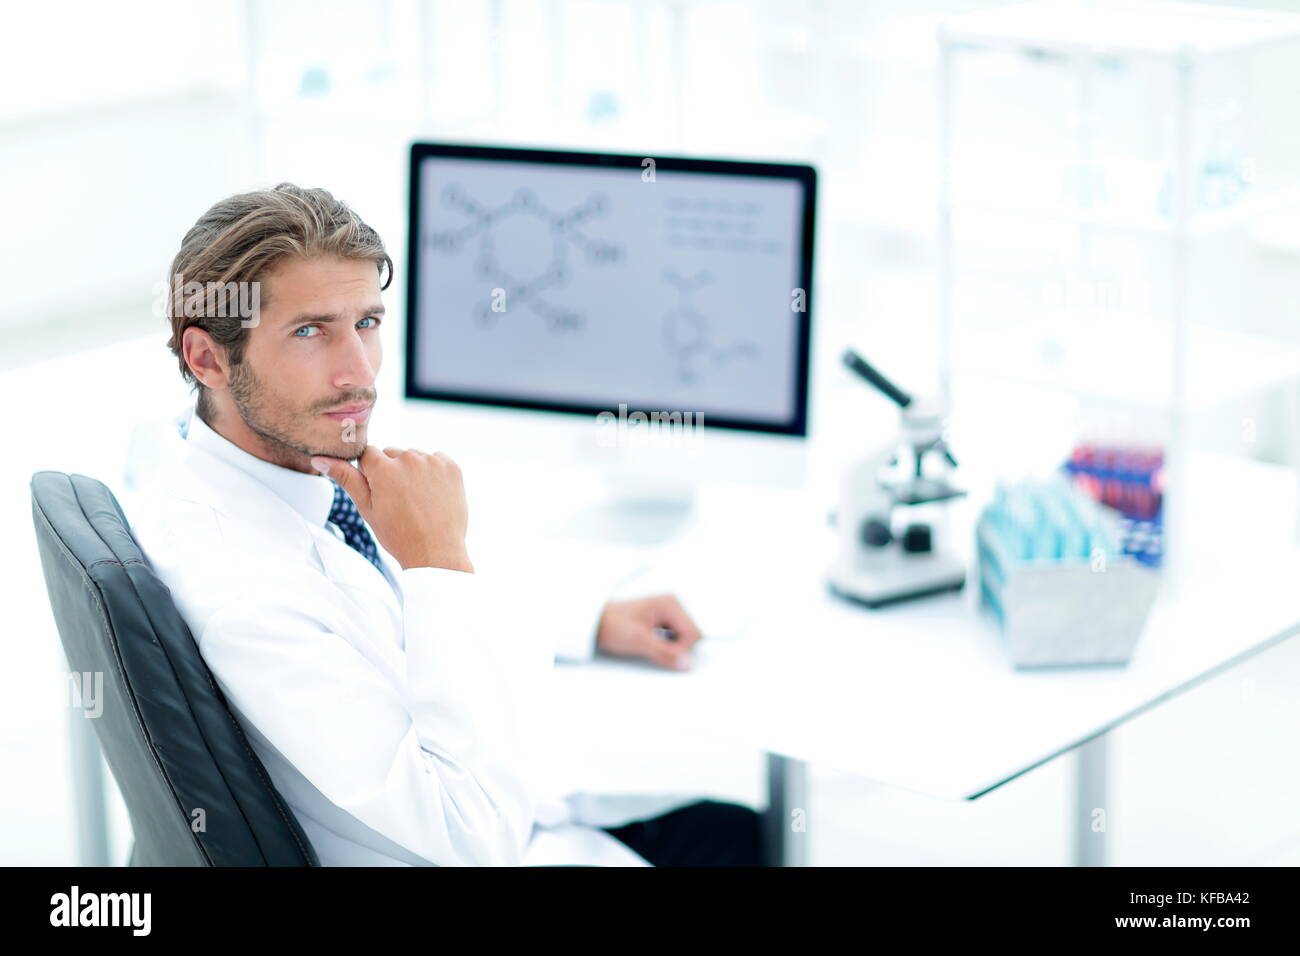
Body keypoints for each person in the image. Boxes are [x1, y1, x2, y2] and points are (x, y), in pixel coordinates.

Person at [127, 182, 762, 867]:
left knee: (732, 831)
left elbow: (386, 619)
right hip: (484, 845)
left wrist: (586, 616)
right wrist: (436, 559)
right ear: (208, 358)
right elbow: (470, 837)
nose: (359, 373)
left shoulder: (249, 469)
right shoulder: (246, 595)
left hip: (526, 813)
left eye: (367, 322)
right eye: (309, 331)